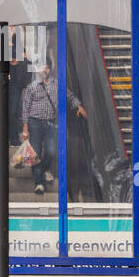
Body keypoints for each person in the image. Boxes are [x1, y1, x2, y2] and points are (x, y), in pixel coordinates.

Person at [21, 63, 87, 194]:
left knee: (51, 151)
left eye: (46, 67)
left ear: (50, 69)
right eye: (42, 67)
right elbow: (26, 107)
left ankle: (43, 169)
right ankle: (39, 183)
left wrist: (79, 106)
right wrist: (25, 127)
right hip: (35, 123)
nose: (44, 70)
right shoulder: (32, 87)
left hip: (50, 123)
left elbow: (70, 96)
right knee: (35, 153)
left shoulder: (57, 84)